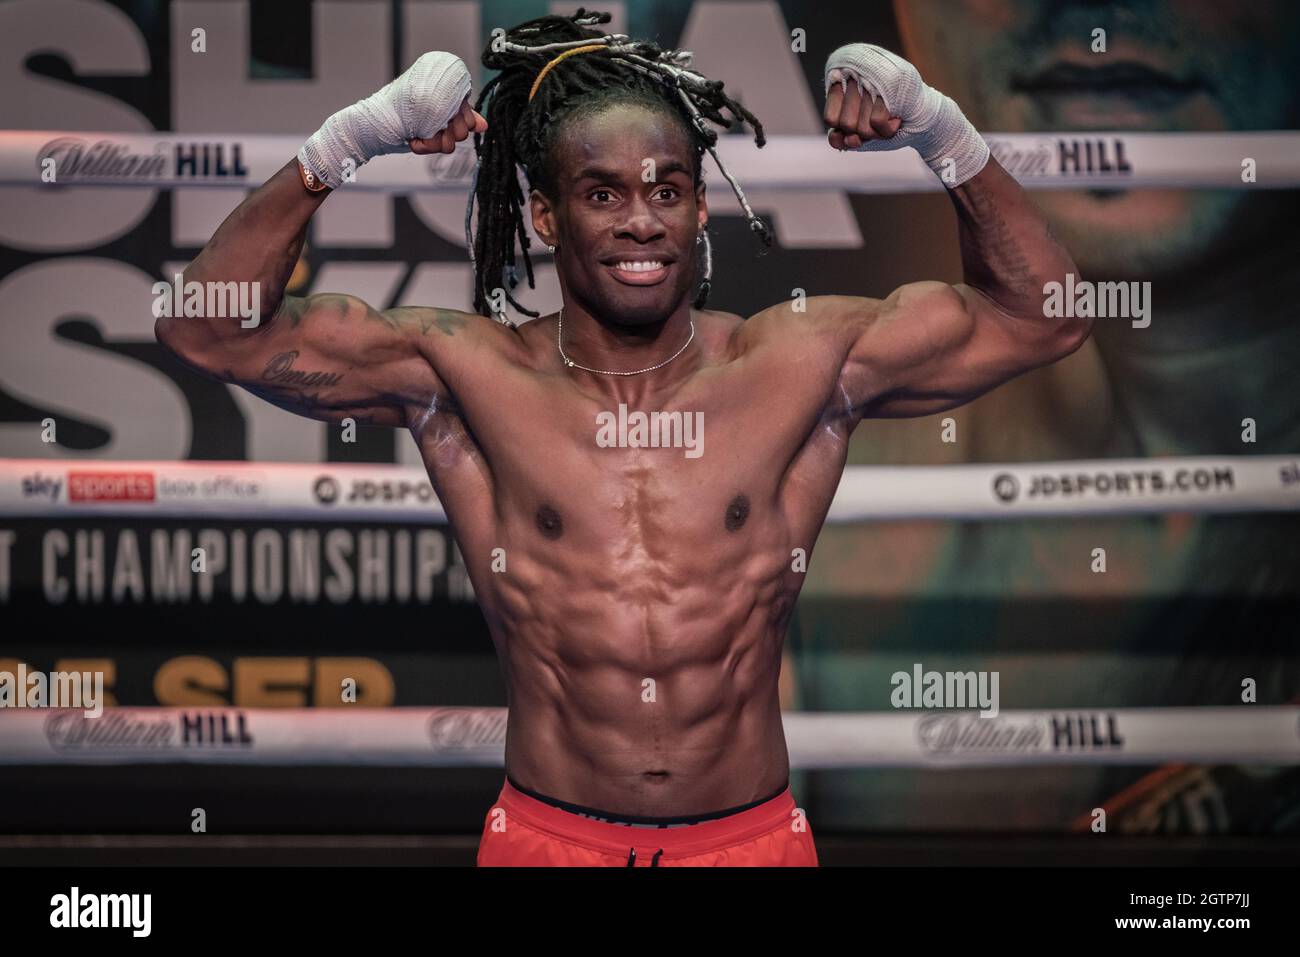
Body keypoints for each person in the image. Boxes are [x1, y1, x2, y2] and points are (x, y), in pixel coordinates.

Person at [155, 10, 1087, 866]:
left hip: (748, 840)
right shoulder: (464, 374)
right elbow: (207, 329)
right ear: (546, 215)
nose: (641, 221)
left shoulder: (799, 363)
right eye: (602, 194)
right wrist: (349, 140)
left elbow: (1045, 315)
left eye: (666, 190)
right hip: (550, 838)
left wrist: (936, 125)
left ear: (700, 207)